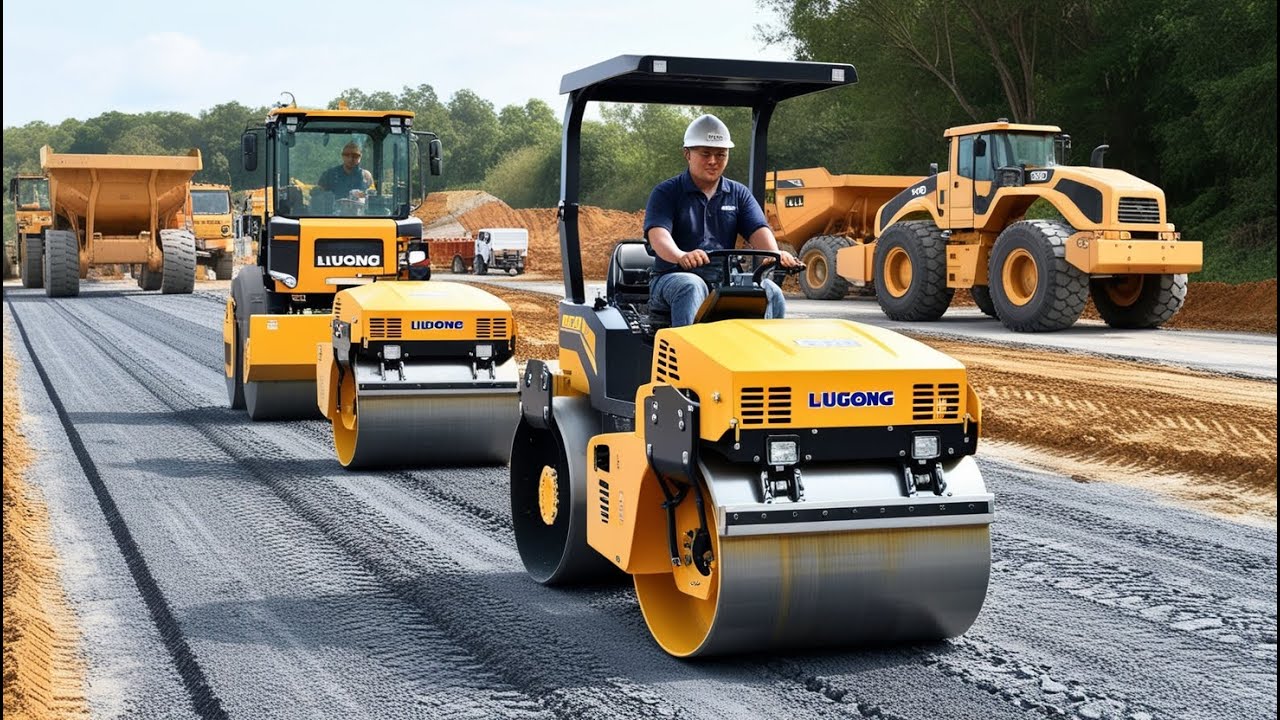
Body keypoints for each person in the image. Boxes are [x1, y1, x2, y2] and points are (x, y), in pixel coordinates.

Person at [643, 114, 801, 327]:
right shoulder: (666, 192)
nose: (713, 161)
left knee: (771, 291)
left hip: (725, 277)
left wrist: (775, 255)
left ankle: (765, 346)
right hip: (674, 275)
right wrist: (681, 256)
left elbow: (758, 230)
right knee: (691, 285)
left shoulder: (738, 194)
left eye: (720, 154)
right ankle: (688, 347)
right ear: (687, 154)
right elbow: (658, 236)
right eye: (705, 154)